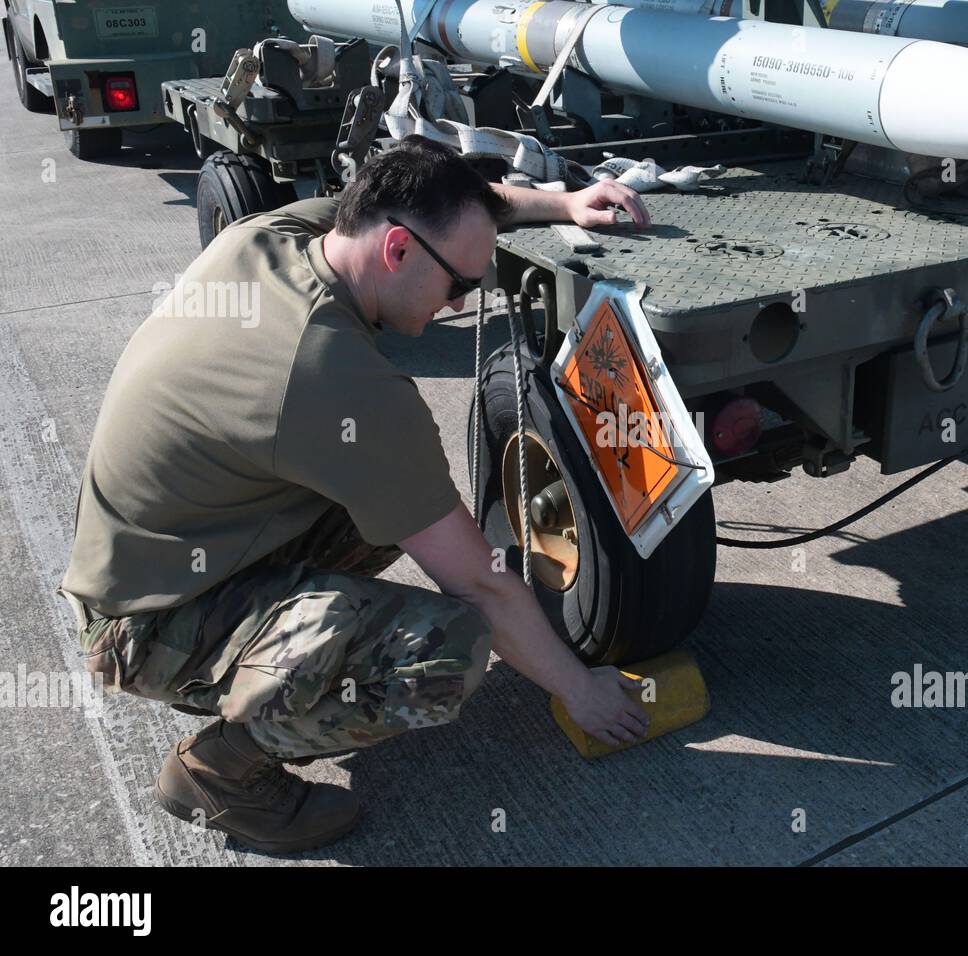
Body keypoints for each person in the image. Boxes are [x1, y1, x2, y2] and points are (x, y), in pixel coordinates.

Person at [58, 135, 653, 853]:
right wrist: (579, 690)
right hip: (144, 623)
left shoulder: (286, 233)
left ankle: (294, 652)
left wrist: (561, 202)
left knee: (396, 505)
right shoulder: (331, 379)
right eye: (460, 285)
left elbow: (465, 202)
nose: (462, 300)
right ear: (398, 250)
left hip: (169, 547)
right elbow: (479, 586)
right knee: (447, 648)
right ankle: (225, 769)